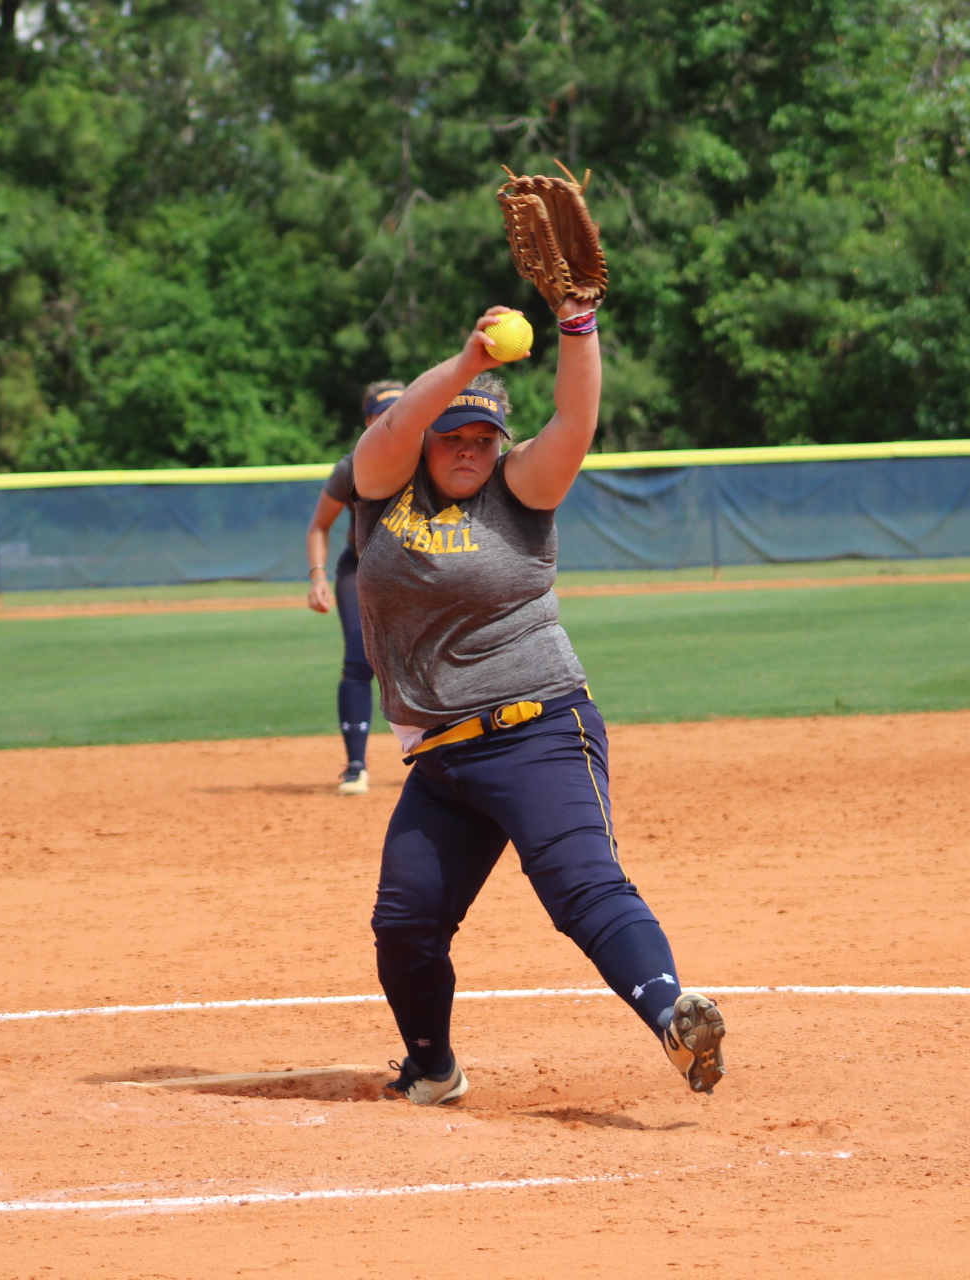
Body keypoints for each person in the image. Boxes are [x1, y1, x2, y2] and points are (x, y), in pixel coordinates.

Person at [349, 301, 726, 1106]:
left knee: (582, 886)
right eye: (452, 435)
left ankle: (676, 1016)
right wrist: (465, 365)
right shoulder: (384, 490)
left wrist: (578, 324)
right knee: (405, 921)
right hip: (443, 760)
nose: (469, 449)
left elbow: (575, 421)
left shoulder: (517, 490)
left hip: (538, 731)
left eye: (483, 436)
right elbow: (384, 440)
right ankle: (434, 1070)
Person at [306, 382, 406, 795]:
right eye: (384, 413)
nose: (394, 419)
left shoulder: (431, 456)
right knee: (358, 657)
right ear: (368, 422)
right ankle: (355, 766)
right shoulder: (352, 468)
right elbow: (319, 526)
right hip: (360, 565)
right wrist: (317, 576)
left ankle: (449, 756)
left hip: (416, 568)